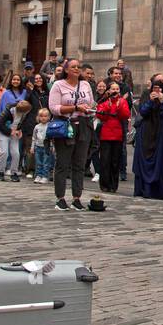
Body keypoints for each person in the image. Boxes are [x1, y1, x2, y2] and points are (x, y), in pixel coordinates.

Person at [48, 58, 98, 211]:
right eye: (73, 67)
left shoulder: (85, 84)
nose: (77, 69)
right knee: (63, 163)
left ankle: (77, 198)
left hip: (83, 125)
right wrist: (75, 107)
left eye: (78, 67)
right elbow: (54, 108)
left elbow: (91, 102)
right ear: (66, 70)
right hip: (66, 125)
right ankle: (60, 198)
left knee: (80, 163)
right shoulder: (58, 85)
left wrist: (89, 108)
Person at [133, 76, 163, 200]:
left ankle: (160, 190)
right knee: (144, 160)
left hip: (160, 132)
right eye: (155, 88)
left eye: (160, 87)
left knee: (160, 161)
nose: (157, 90)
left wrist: (162, 102)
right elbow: (143, 111)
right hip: (146, 132)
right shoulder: (146, 94)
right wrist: (151, 101)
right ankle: (144, 189)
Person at [95, 84, 130, 192]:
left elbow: (126, 115)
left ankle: (113, 185)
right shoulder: (104, 101)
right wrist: (108, 105)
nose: (115, 91)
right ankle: (104, 184)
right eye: (113, 89)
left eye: (117, 89)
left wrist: (118, 105)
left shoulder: (122, 102)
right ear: (109, 91)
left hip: (117, 134)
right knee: (105, 160)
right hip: (105, 134)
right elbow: (100, 114)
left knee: (115, 161)